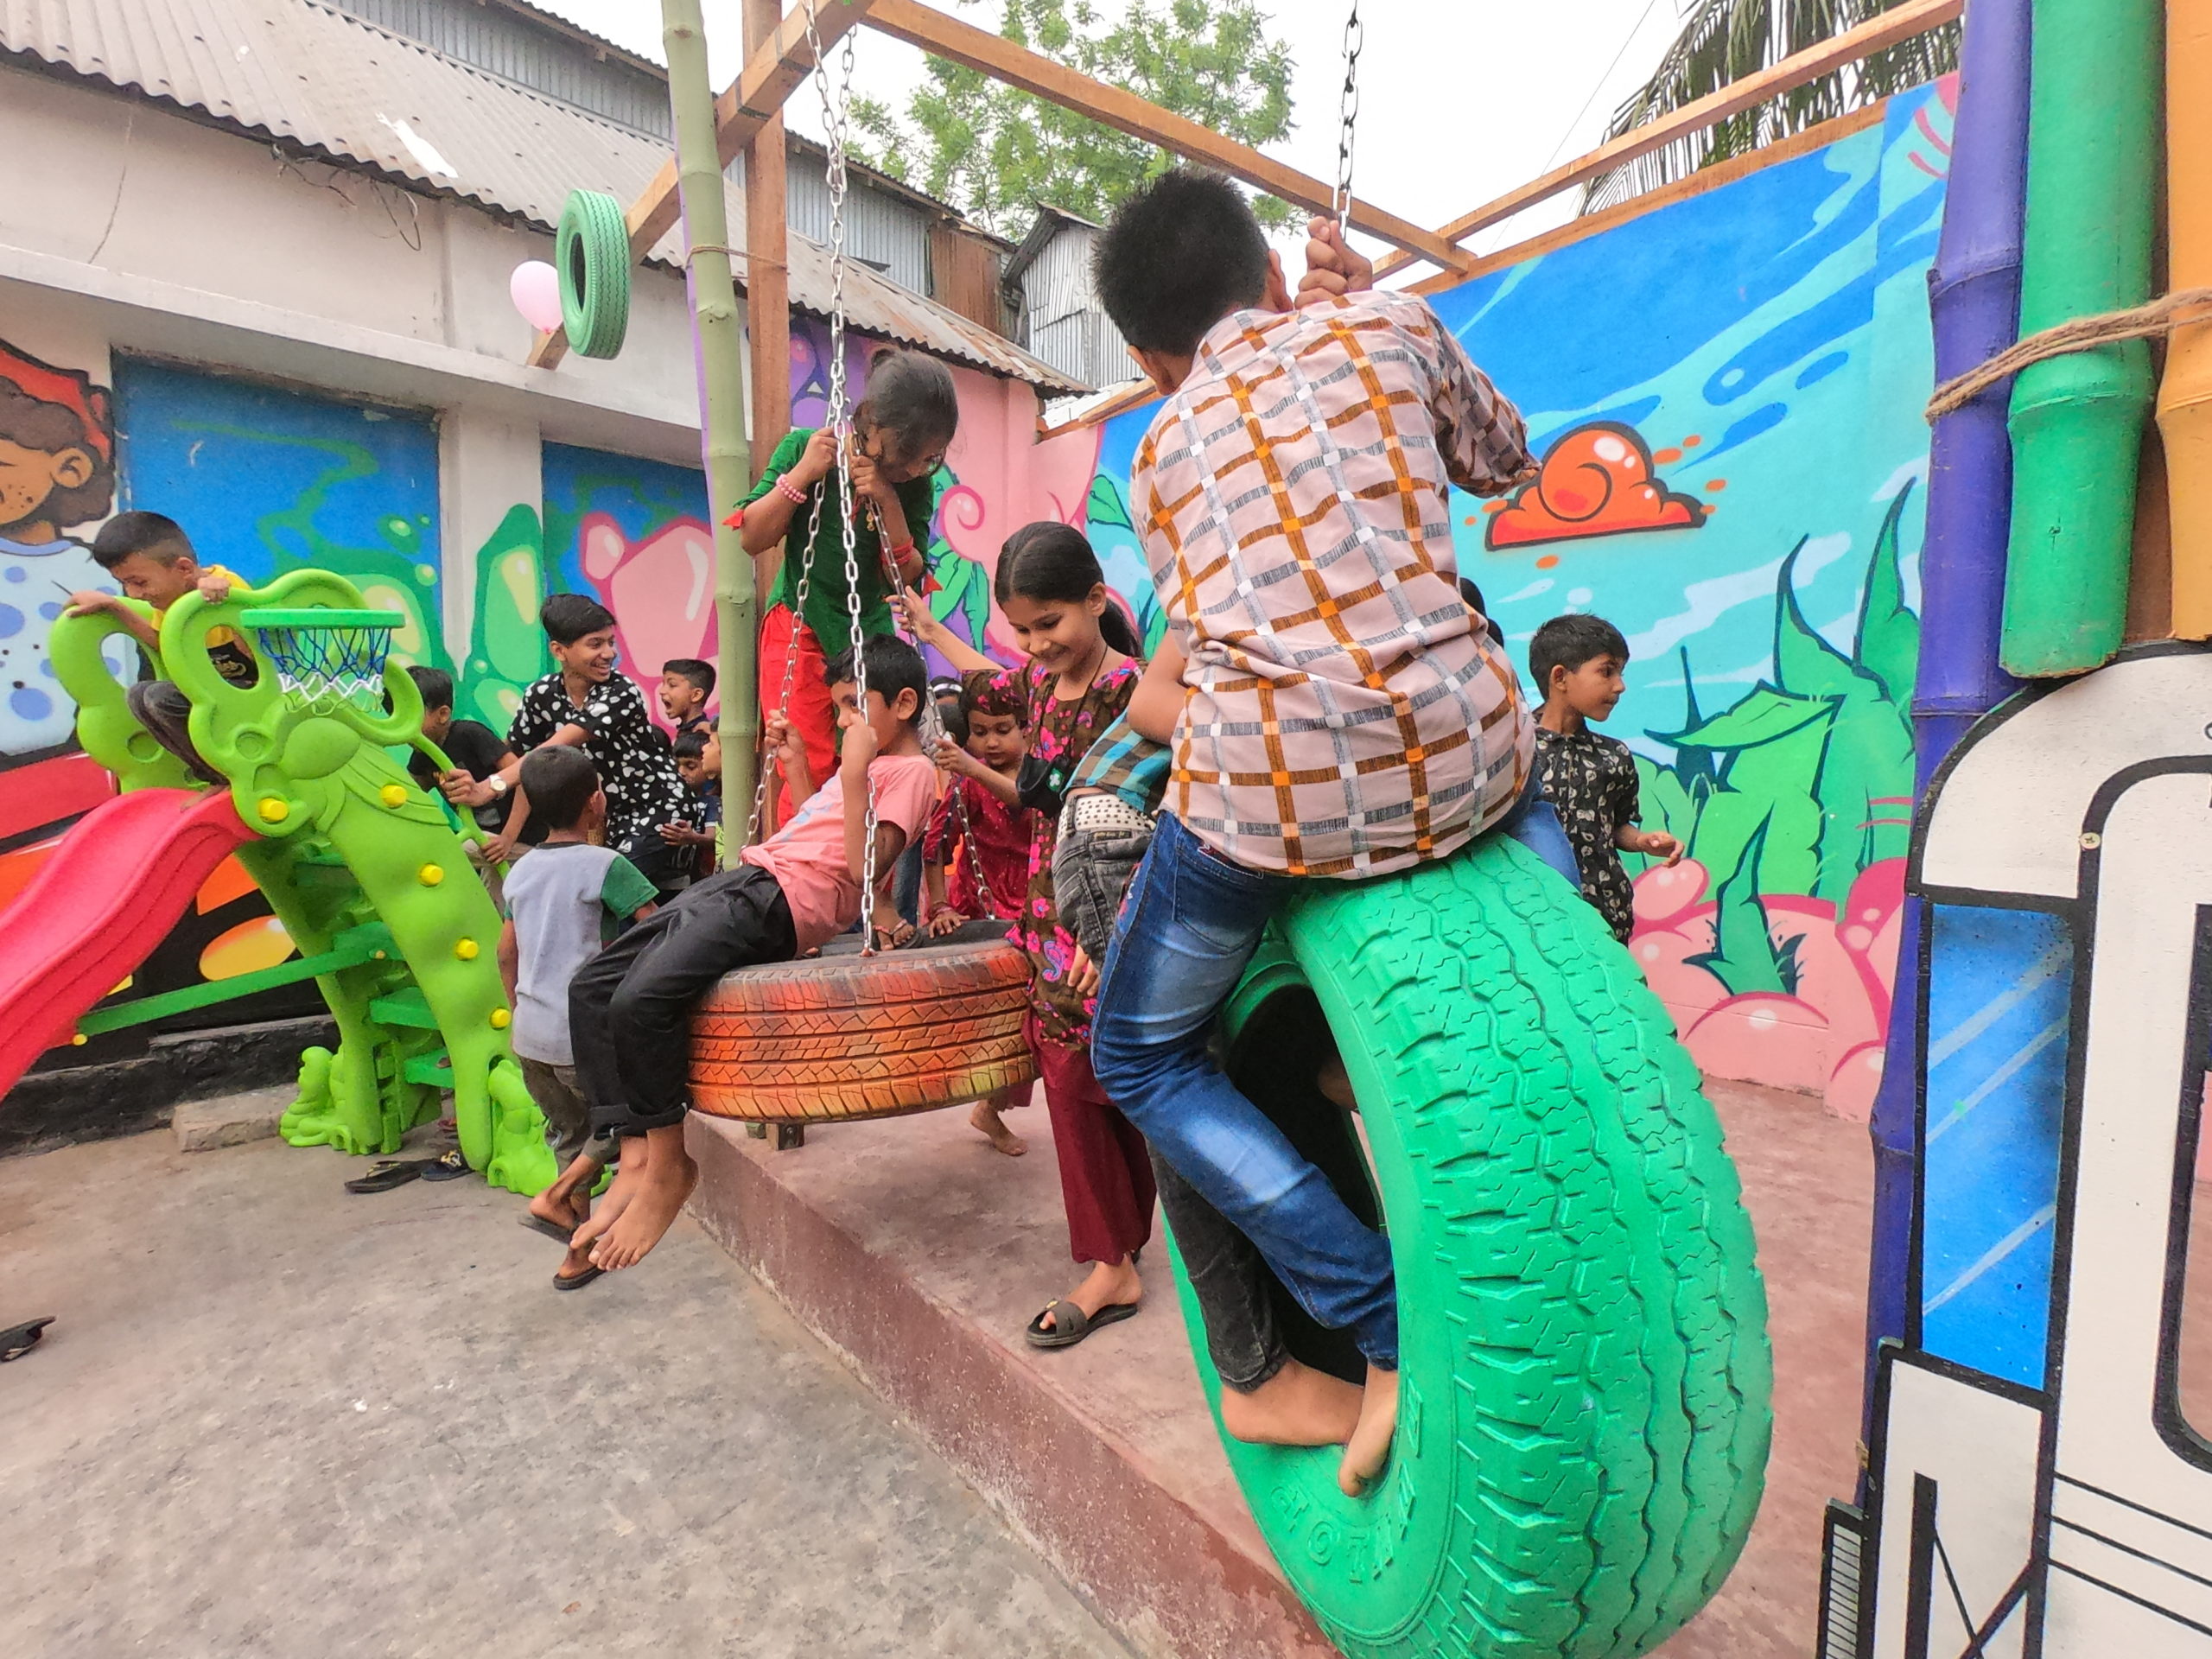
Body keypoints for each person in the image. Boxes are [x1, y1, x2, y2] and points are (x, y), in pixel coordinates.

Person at [1085, 169, 1543, 1494]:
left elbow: (1228, 635)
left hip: (1273, 799)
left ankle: (1379, 1318)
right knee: (1515, 836)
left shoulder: (1157, 451)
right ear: (1276, 275)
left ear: (1144, 356)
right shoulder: (1390, 326)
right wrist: (1366, 317)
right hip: (1471, 751)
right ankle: (1568, 990)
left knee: (1140, 1050)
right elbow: (1504, 460)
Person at [563, 634, 939, 1274]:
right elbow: (804, 832)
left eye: (855, 707)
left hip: (779, 903)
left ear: (903, 703)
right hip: (748, 880)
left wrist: (851, 772)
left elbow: (860, 865)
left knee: (641, 1001)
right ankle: (633, 1155)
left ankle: (669, 1165)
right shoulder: (864, 768)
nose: (846, 721)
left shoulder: (914, 771)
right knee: (593, 986)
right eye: (840, 709)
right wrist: (797, 768)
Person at [904, 524, 1155, 1351]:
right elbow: (994, 680)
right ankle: (1112, 1254)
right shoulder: (1044, 688)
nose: (1037, 644)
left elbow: (1160, 822)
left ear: (1095, 601)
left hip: (1111, 919)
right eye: (1023, 629)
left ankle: (1124, 1253)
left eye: (1051, 623)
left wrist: (1106, 931)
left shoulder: (1136, 695)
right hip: (1050, 916)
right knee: (1073, 1082)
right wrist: (933, 630)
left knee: (1121, 1080)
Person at [733, 350, 958, 830]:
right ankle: (802, 867)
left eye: (931, 459)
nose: (919, 469)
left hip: (870, 634)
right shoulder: (804, 449)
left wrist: (889, 500)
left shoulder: (913, 486)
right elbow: (753, 537)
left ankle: (860, 869)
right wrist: (803, 476)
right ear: (870, 423)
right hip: (800, 621)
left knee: (872, 756)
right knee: (802, 753)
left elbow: (911, 573)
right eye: (908, 455)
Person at [496, 747, 659, 1287]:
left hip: (531, 1036)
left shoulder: (520, 871)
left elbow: (505, 953)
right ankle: (556, 1197)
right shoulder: (605, 864)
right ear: (596, 802)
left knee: (569, 1137)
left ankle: (575, 1254)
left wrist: (520, 1010)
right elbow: (656, 932)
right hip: (581, 1034)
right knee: (629, 1127)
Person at [439, 594, 700, 897]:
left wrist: (488, 788)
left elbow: (558, 744)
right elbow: (525, 764)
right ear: (559, 651)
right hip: (605, 816)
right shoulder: (541, 694)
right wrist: (508, 836)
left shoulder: (621, 692)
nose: (609, 653)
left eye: (610, 642)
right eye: (595, 644)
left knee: (604, 889)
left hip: (658, 808)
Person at [921, 672, 1037, 1156]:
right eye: (980, 730)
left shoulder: (1042, 777)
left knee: (1030, 1020)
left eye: (1003, 729)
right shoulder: (968, 786)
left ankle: (990, 1106)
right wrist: (941, 906)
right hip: (983, 903)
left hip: (1033, 903)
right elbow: (934, 846)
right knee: (996, 1018)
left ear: (1028, 728)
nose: (991, 742)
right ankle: (986, 1103)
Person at [64, 512, 251, 785]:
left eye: (139, 582)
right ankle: (218, 777)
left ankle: (233, 774)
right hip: (215, 698)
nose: (134, 594)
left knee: (160, 698)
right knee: (141, 695)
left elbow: (259, 642)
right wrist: (114, 606)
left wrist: (222, 595)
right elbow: (162, 643)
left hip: (256, 695)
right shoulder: (172, 602)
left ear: (185, 569)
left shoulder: (222, 585)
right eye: (124, 584)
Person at [1529, 613, 1684, 943]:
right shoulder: (1517, 748)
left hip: (1606, 913)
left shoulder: (1614, 756)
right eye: (1607, 671)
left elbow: (1615, 827)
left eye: (1621, 673)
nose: (1620, 686)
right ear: (1560, 678)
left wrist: (1643, 841)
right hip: (1534, 914)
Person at [664, 727, 723, 881]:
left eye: (690, 767)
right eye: (676, 765)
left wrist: (693, 837)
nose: (681, 772)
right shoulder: (667, 802)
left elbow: (714, 837)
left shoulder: (711, 803)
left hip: (695, 880)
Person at [659, 658, 715, 737]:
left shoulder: (702, 737)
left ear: (696, 695)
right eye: (663, 684)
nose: (661, 691)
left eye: (672, 685)